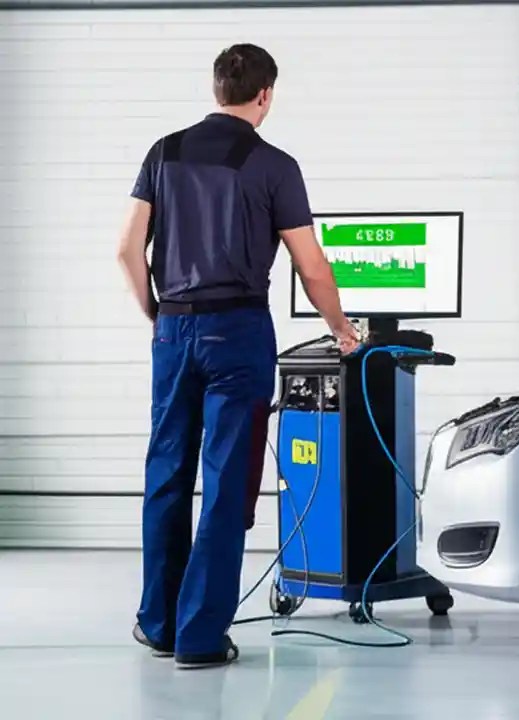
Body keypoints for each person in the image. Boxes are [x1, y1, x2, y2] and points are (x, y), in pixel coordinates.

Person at [115, 43, 360, 669]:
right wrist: (343, 333)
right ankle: (199, 638)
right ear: (266, 95)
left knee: (166, 476)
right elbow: (312, 265)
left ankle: (157, 623)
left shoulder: (162, 152)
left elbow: (126, 250)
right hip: (240, 335)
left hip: (174, 331)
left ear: (216, 87)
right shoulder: (274, 164)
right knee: (226, 484)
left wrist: (159, 315)